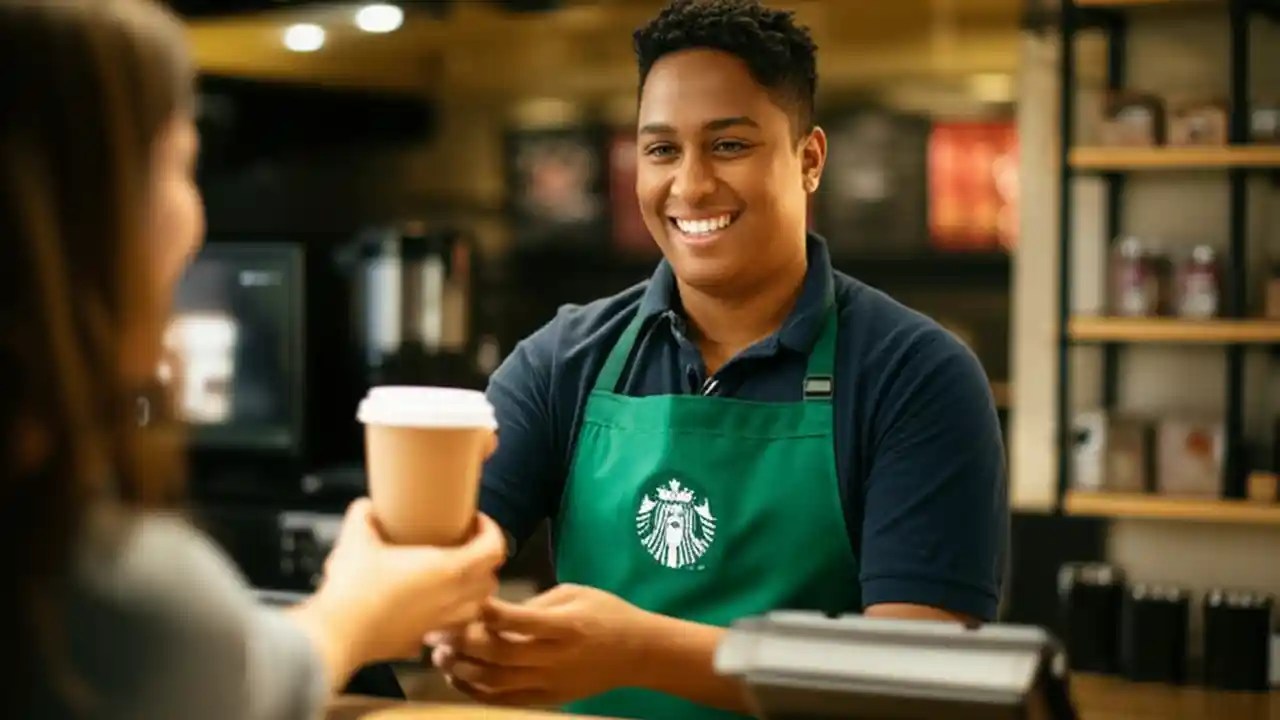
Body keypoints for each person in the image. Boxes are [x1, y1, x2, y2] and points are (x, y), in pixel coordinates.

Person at [430, 0, 1009, 718]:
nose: (690, 185)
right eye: (661, 149)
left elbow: (913, 677)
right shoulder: (563, 361)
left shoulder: (915, 375)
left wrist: (639, 651)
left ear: (809, 159)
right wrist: (444, 607)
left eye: (729, 145)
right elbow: (447, 549)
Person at [0, 2, 506, 718]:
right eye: (178, 166)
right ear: (72, 219)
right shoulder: (121, 599)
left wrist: (354, 610)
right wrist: (363, 607)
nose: (195, 216)